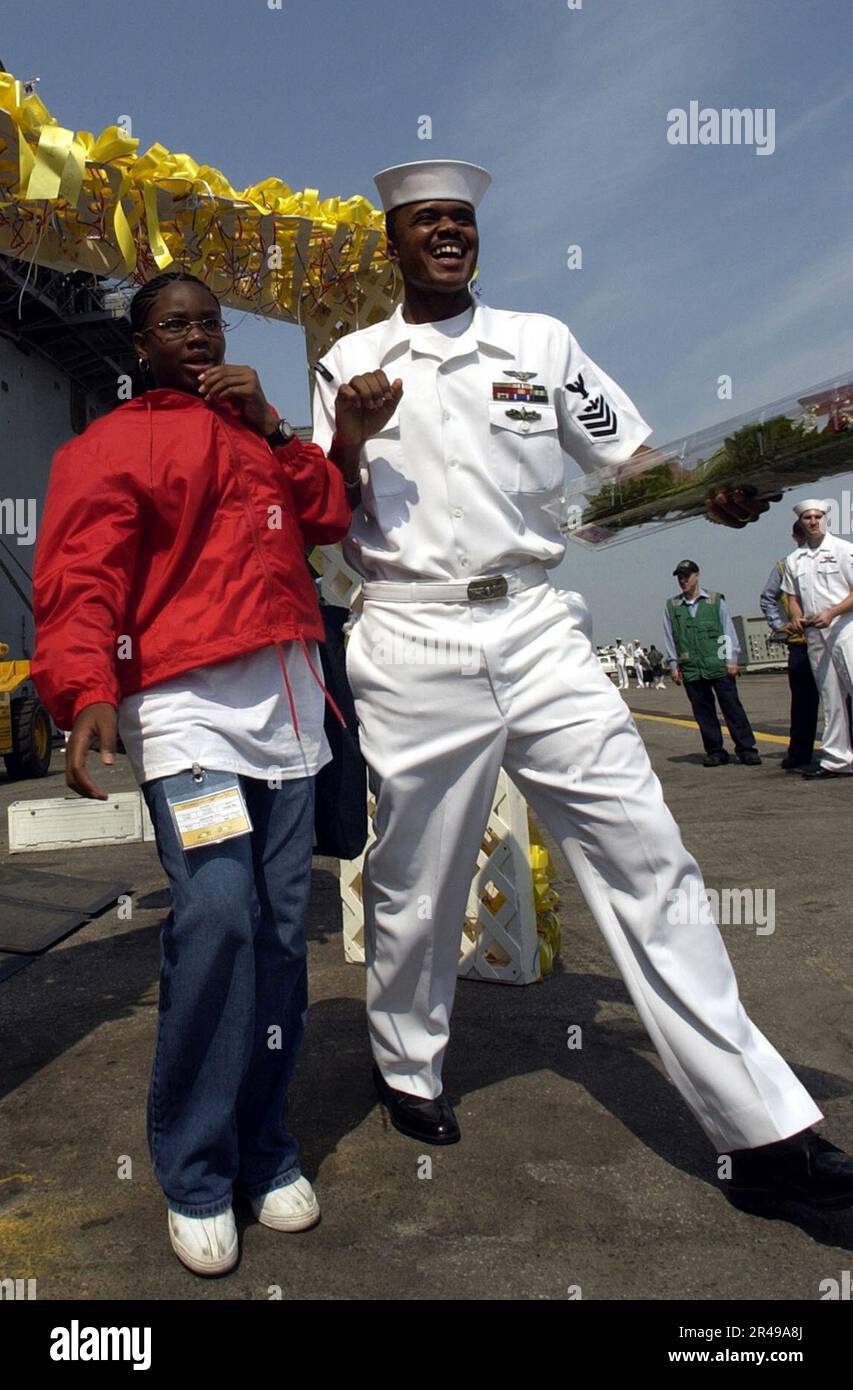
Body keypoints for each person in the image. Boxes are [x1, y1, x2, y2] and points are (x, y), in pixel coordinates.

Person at [312, 158, 853, 1208]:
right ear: (392, 246)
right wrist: (348, 437)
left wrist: (714, 490)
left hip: (537, 628)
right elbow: (326, 513)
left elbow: (631, 464)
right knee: (415, 878)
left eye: (461, 220)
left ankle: (762, 1133)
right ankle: (406, 1062)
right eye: (426, 222)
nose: (448, 235)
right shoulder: (352, 360)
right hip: (414, 632)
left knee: (647, 855)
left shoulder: (541, 344)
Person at [32, 271, 351, 1276]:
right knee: (215, 915)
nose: (199, 334)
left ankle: (265, 1145)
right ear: (141, 346)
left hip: (291, 705)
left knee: (277, 929)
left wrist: (274, 425)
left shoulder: (261, 433)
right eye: (176, 323)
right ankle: (196, 1164)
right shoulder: (109, 447)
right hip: (187, 714)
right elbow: (81, 575)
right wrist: (84, 689)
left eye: (210, 320)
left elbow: (330, 515)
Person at [663, 560, 761, 768]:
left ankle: (747, 749)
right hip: (692, 668)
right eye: (680, 577)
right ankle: (715, 751)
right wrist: (673, 665)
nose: (683, 581)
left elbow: (727, 631)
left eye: (686, 576)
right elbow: (670, 637)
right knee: (703, 712)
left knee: (732, 708)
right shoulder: (672, 606)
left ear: (697, 576)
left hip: (718, 665)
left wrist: (731, 660)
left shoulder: (715, 601)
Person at [782, 498, 853, 779]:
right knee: (830, 696)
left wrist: (832, 612)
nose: (813, 521)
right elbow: (791, 597)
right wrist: (796, 616)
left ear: (825, 519)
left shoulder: (843, 550)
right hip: (814, 633)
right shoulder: (794, 560)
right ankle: (838, 759)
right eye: (808, 518)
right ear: (801, 523)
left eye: (818, 516)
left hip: (844, 628)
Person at [759, 520, 820, 773]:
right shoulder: (785, 566)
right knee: (804, 703)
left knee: (844, 699)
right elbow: (767, 597)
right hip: (801, 644)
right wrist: (780, 624)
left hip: (830, 640)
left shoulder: (831, 559)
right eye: (802, 534)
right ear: (795, 537)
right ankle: (799, 753)